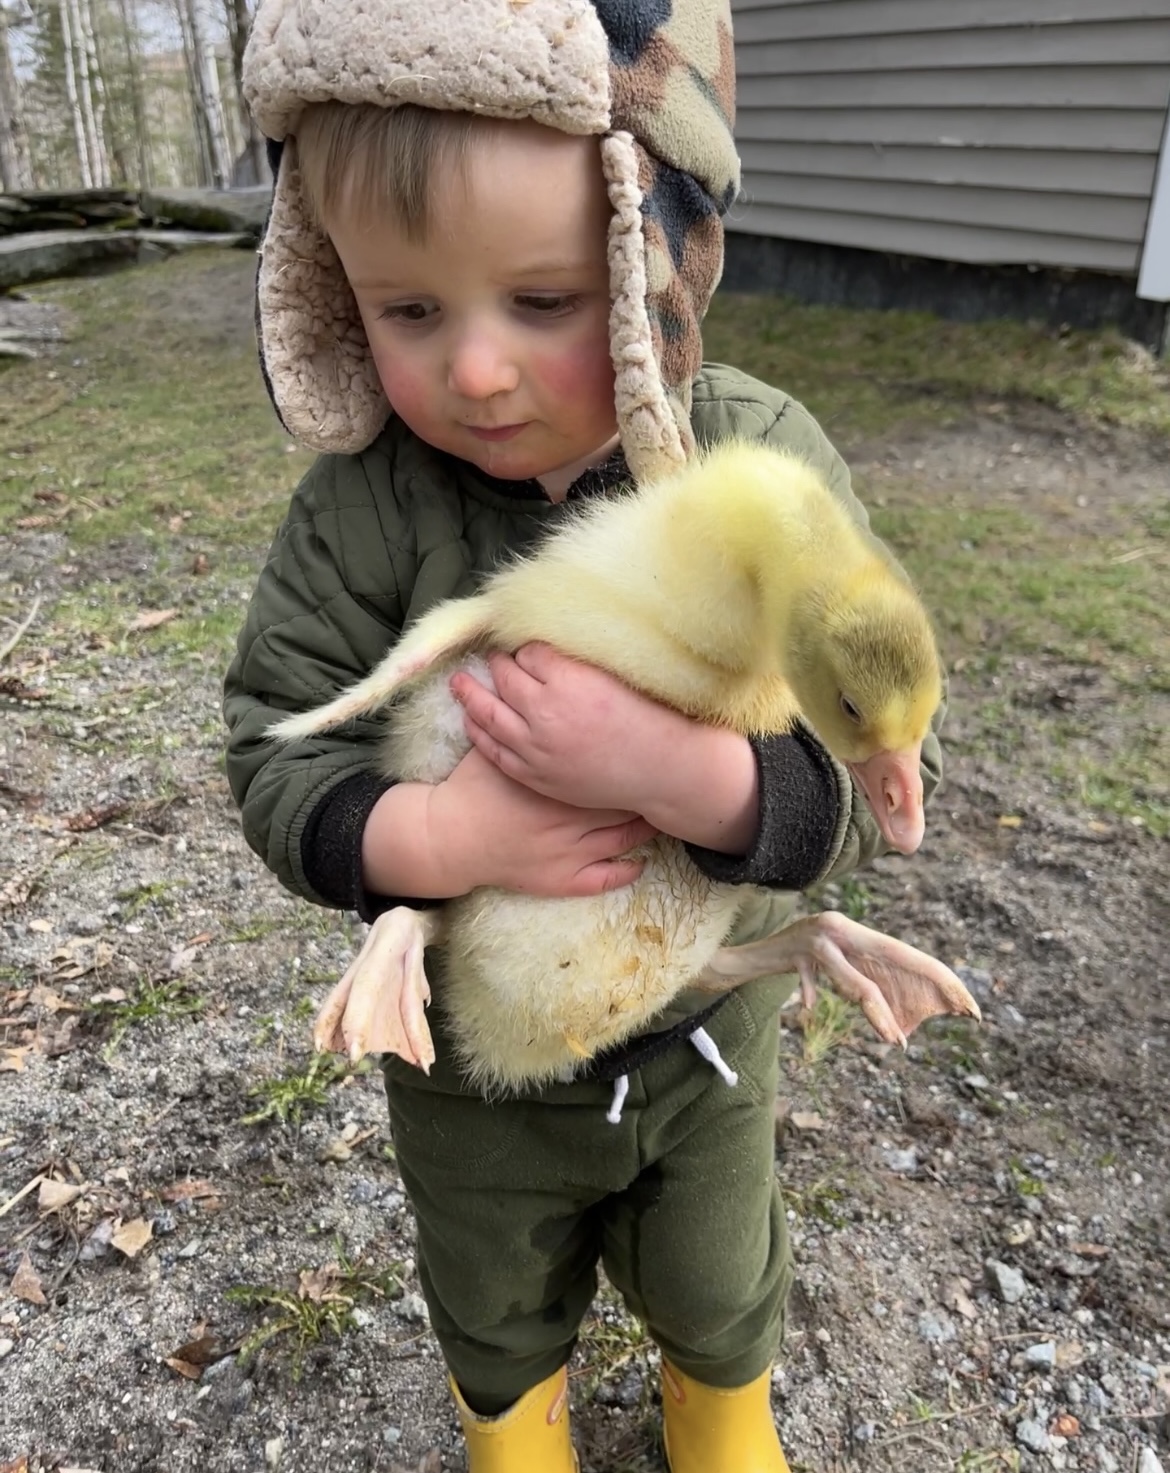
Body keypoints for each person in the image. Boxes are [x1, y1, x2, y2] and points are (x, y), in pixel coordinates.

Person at [224, 3, 945, 1469]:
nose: (473, 372)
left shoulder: (758, 465)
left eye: (540, 301)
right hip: (471, 1064)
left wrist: (678, 774)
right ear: (326, 289)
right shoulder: (368, 506)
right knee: (487, 1265)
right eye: (407, 311)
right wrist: (436, 840)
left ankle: (720, 1400)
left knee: (715, 1252)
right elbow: (274, 740)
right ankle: (514, 1412)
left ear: (652, 257)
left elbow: (875, 756)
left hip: (704, 1033)